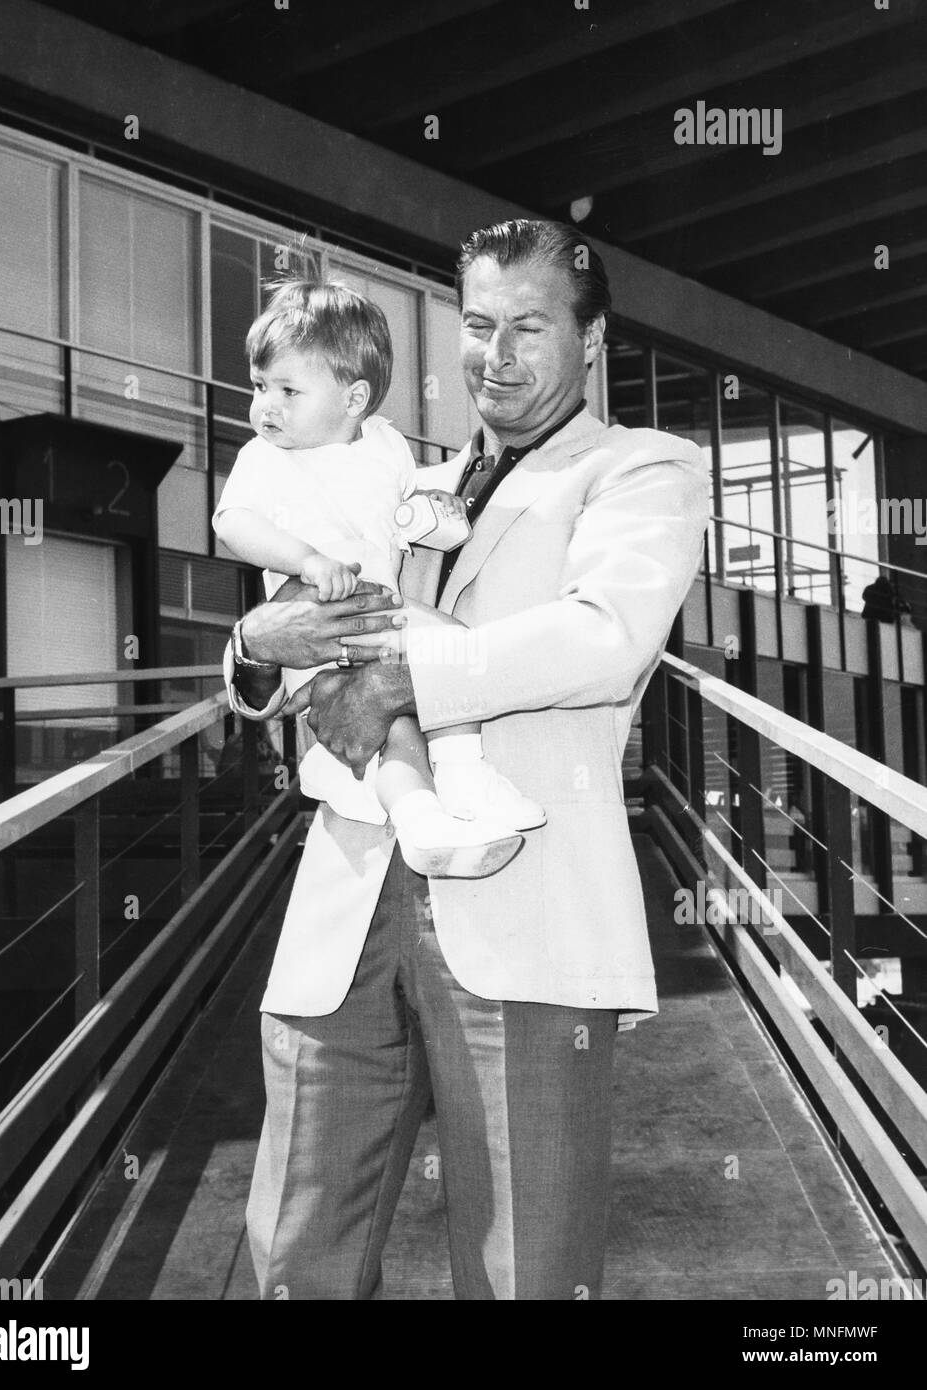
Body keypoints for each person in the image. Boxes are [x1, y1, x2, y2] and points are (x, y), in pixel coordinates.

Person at [225, 218, 711, 1300]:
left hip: (525, 912)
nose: (495, 353)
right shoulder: (393, 472)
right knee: (291, 1260)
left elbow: (602, 637)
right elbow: (302, 608)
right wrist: (253, 648)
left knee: (520, 1270)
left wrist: (410, 675)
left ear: (590, 338)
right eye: (478, 323)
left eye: (528, 326)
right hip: (346, 900)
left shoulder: (643, 469)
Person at [214, 278, 543, 878]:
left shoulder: (387, 446)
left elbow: (409, 507)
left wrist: (428, 517)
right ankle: (459, 780)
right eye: (260, 386)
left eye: (289, 390)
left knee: (407, 717)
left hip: (379, 616)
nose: (267, 406)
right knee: (444, 649)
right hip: (320, 615)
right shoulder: (264, 458)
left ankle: (430, 814)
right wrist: (306, 560)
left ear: (354, 397)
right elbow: (231, 522)